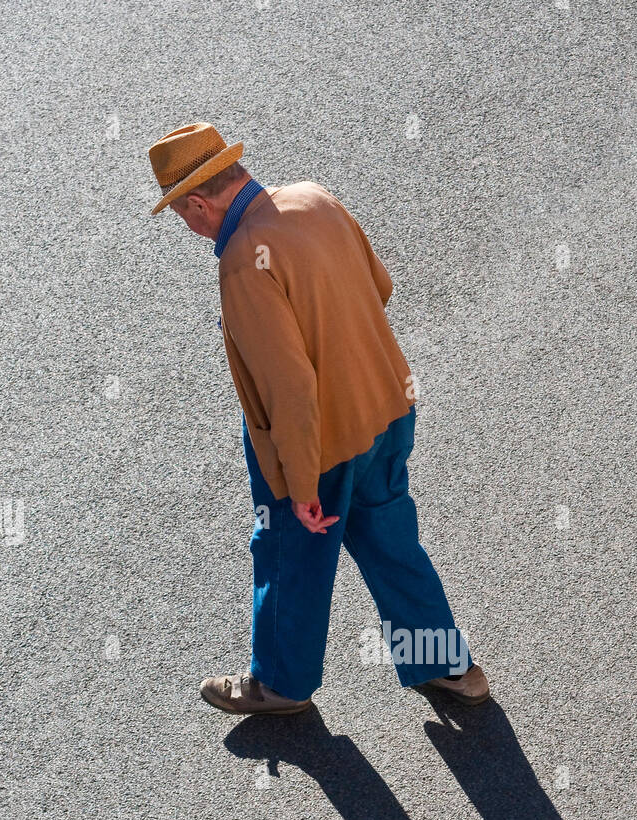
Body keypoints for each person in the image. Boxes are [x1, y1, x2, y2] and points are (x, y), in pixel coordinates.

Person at [147, 121, 490, 714]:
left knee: (290, 552)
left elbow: (289, 388)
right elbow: (379, 287)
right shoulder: (313, 197)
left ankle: (280, 683)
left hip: (321, 443)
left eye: (182, 215)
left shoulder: (240, 263)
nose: (188, 227)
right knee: (390, 542)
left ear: (198, 203)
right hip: (385, 405)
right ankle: (451, 669)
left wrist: (301, 485)